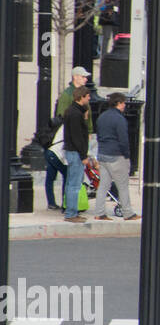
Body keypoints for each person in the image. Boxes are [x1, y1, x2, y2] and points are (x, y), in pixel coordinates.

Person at [93, 92, 137, 221]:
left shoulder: (102, 117)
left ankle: (99, 212)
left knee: (103, 186)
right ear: (118, 103)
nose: (124, 105)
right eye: (123, 103)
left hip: (102, 154)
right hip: (116, 155)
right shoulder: (119, 119)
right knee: (122, 186)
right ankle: (128, 213)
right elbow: (123, 139)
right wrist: (127, 156)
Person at [62, 87, 92, 223]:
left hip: (72, 151)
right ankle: (71, 213)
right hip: (76, 152)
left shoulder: (73, 111)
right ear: (82, 97)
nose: (89, 98)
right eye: (87, 96)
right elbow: (78, 137)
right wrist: (83, 155)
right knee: (74, 184)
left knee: (70, 183)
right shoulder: (75, 114)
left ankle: (70, 211)